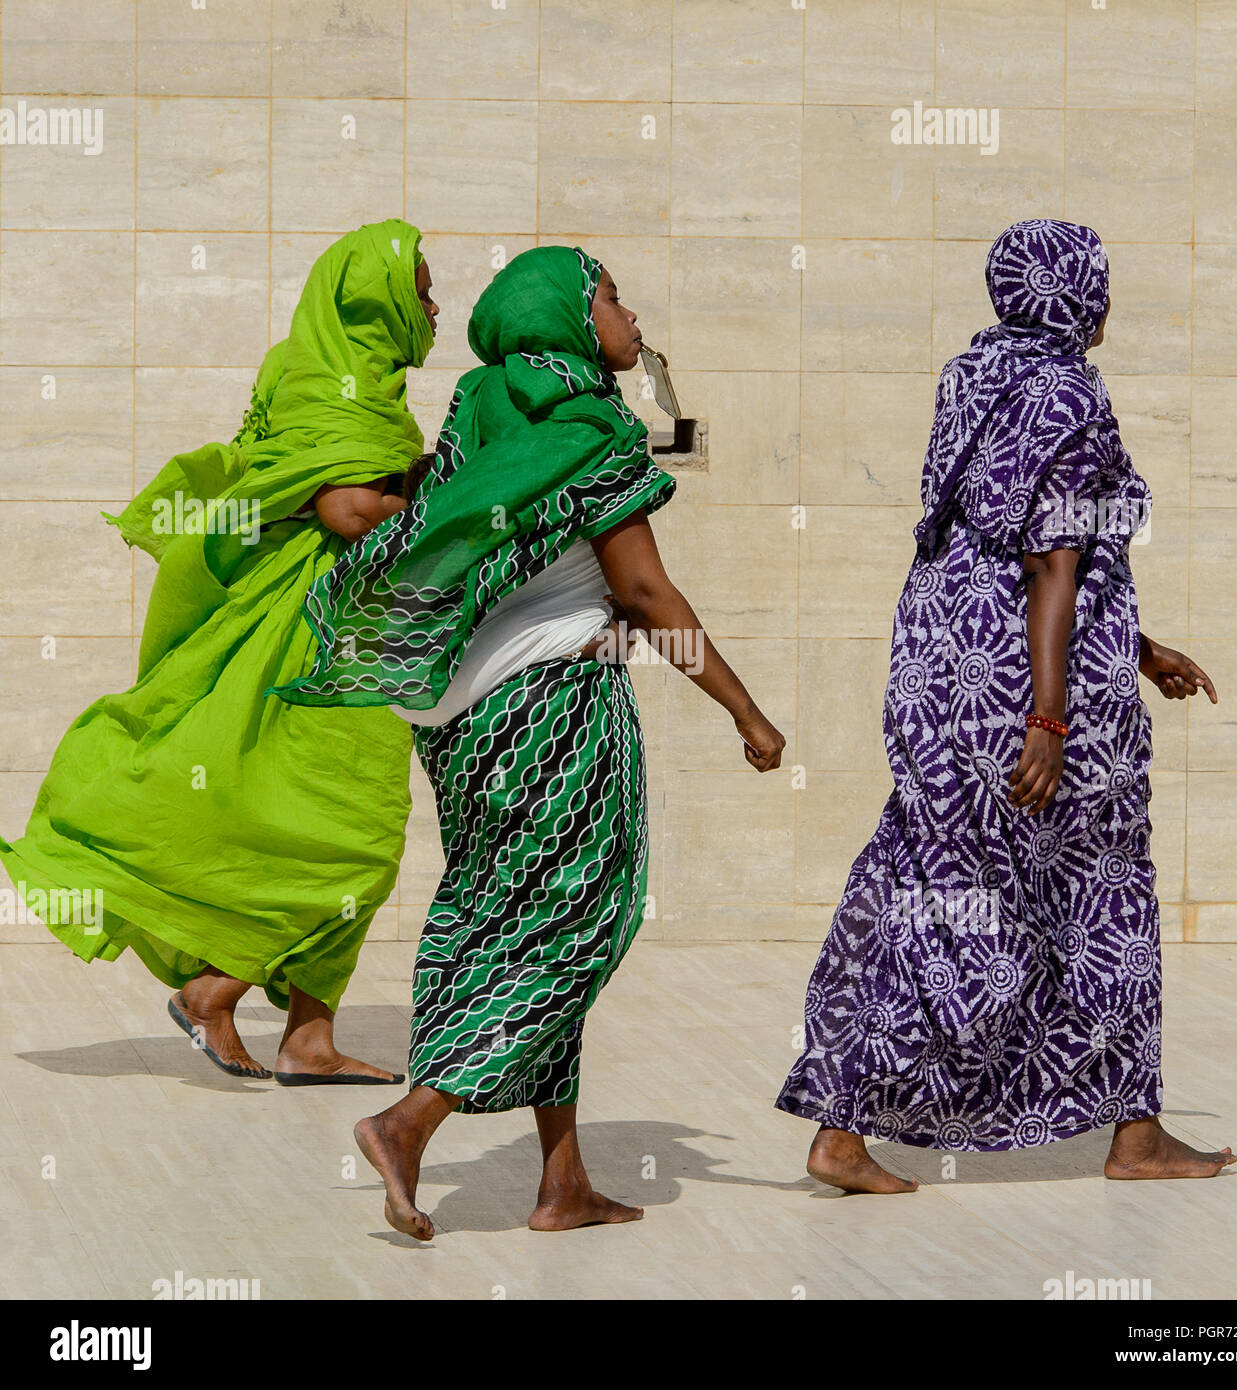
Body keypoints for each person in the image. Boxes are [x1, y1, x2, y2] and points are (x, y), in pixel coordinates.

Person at [274, 245, 786, 1238]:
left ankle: (562, 1181)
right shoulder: (593, 431)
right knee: (582, 919)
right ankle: (411, 1121)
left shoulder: (477, 406)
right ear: (564, 315)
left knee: (501, 914)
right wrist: (743, 708)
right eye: (610, 296)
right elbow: (643, 592)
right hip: (556, 703)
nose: (630, 315)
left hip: (459, 716)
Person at [777, 219, 1236, 1191]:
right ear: (1069, 295)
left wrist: (1140, 648)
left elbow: (995, 536)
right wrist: (1050, 717)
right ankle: (1135, 1136)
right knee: (1102, 901)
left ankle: (843, 1129)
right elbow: (1051, 558)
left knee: (928, 892)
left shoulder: (969, 377)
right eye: (1096, 282)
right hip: (1030, 695)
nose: (1105, 300)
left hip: (943, 680)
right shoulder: (1066, 388)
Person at [0, 219, 439, 1084]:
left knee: (347, 827)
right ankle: (215, 991)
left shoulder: (325, 373)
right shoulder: (342, 387)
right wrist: (447, 511)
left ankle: (310, 1039)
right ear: (374, 301)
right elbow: (346, 509)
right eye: (420, 288)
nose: (433, 303)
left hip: (342, 632)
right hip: (307, 642)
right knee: (346, 838)